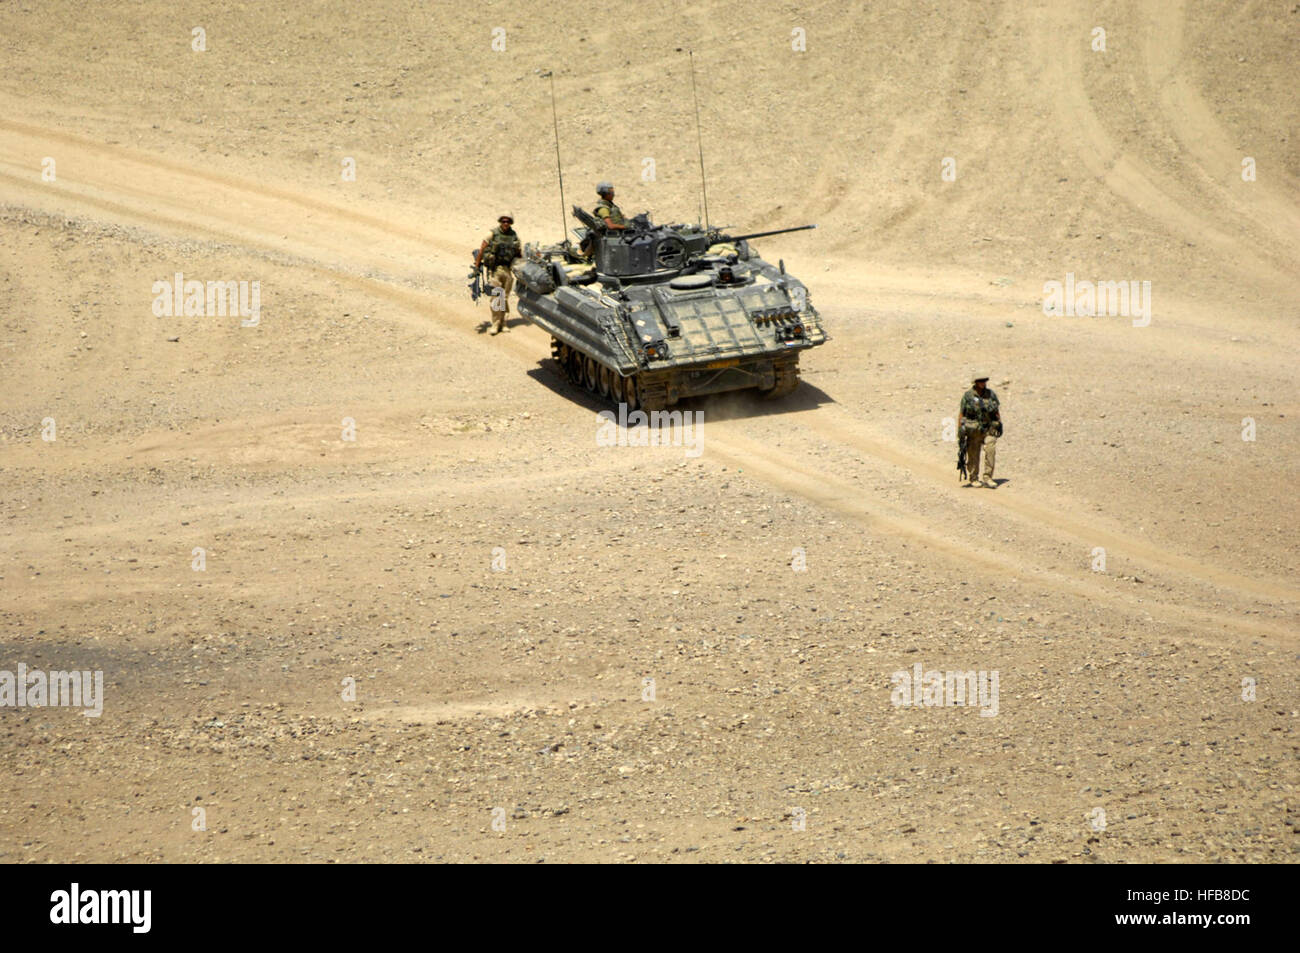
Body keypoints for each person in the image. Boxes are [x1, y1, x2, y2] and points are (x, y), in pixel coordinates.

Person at [474, 214, 521, 334]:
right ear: (500, 221)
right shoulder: (492, 234)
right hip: (495, 270)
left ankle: (503, 322)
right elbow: (482, 249)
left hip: (507, 270)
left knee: (504, 297)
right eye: (504, 221)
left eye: (508, 221)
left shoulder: (514, 236)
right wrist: (476, 266)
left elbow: (518, 252)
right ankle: (495, 323)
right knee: (496, 297)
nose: (506, 223)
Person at [958, 373, 1002, 488]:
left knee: (990, 451)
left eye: (984, 380)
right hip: (974, 430)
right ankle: (974, 477)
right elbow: (962, 414)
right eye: (981, 381)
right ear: (975, 382)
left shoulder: (991, 394)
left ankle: (988, 477)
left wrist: (999, 424)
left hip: (989, 428)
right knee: (973, 454)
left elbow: (996, 410)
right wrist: (961, 430)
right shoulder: (968, 396)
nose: (983, 383)